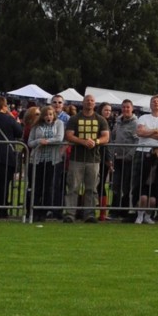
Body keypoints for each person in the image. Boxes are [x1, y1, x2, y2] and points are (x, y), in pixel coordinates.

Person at [65, 94, 108, 222]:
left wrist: (96, 142)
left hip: (93, 159)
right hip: (76, 159)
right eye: (87, 100)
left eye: (92, 100)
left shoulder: (101, 119)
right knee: (73, 187)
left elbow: (106, 137)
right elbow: (69, 135)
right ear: (83, 102)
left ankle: (89, 214)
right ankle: (70, 214)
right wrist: (83, 142)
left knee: (92, 189)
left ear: (95, 104)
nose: (89, 102)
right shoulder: (74, 118)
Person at [134, 95, 158, 224]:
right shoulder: (143, 117)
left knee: (156, 184)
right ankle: (139, 214)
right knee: (139, 183)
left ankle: (148, 215)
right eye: (153, 101)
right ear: (150, 105)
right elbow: (140, 133)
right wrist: (156, 130)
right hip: (142, 152)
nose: (156, 103)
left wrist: (148, 132)